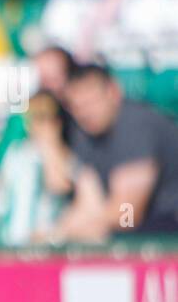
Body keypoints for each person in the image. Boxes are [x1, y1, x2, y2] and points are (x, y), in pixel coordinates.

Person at [57, 63, 178, 239]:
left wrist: (69, 231)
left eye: (92, 102)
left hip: (166, 230)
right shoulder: (83, 132)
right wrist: (55, 235)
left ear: (113, 92)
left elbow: (127, 218)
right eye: (77, 106)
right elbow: (87, 200)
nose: (85, 113)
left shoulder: (137, 125)